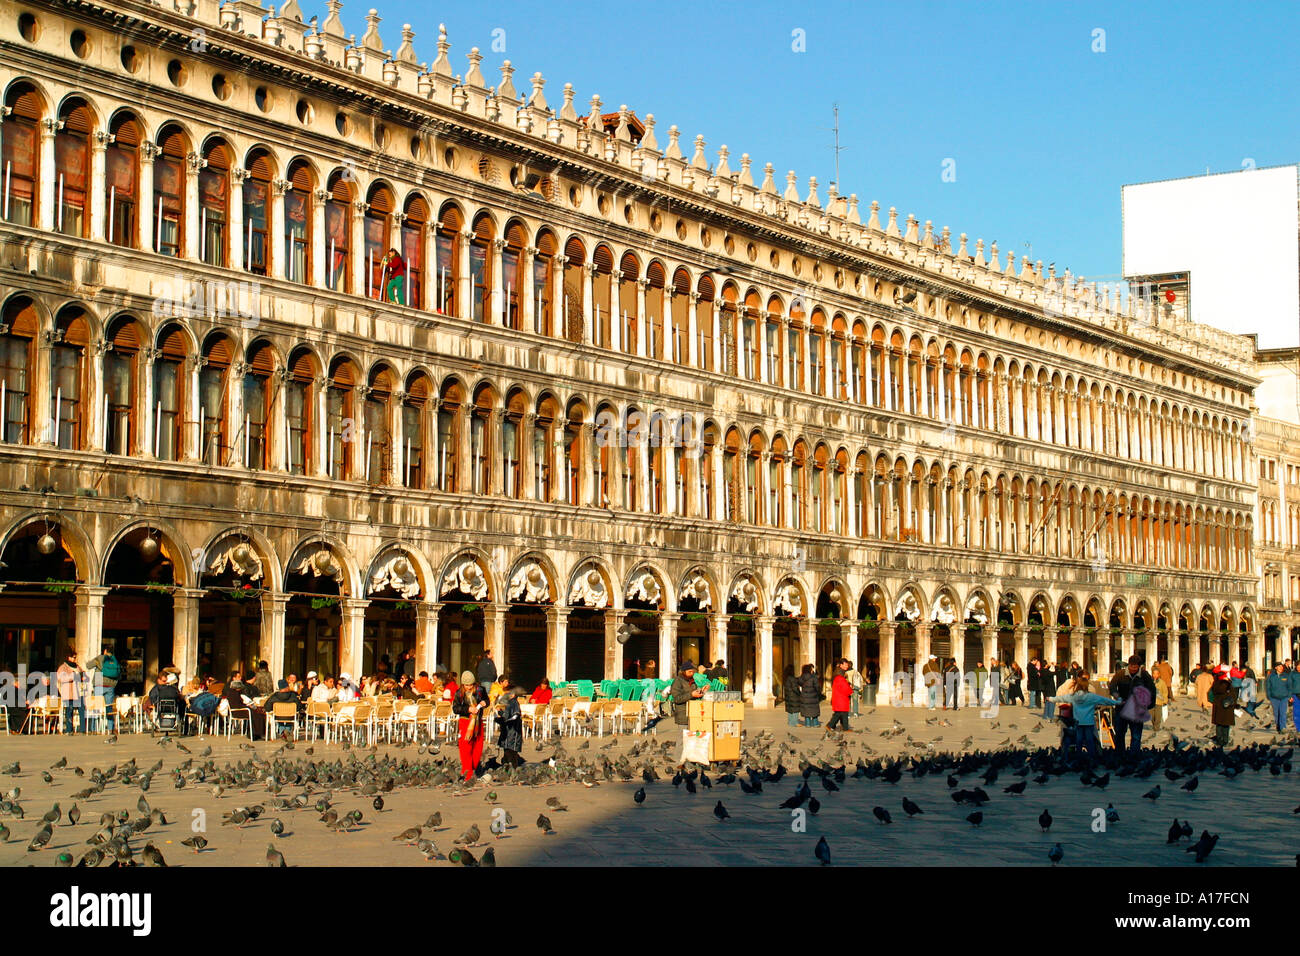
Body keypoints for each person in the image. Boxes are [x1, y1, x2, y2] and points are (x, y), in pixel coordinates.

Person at [1050, 673, 1121, 766]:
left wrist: (1051, 699)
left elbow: (1061, 697)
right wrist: (1118, 701)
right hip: (1088, 722)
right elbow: (1105, 700)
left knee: (1078, 740)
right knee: (1089, 740)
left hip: (1077, 722)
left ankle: (1078, 757)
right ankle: (1092, 757)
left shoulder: (1074, 695)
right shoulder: (1091, 695)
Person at [1107, 655, 1156, 758]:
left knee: (1136, 735)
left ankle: (1134, 756)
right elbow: (1112, 687)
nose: (1133, 669)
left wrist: (1148, 705)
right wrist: (1117, 697)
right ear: (1128, 665)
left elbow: (1152, 690)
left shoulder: (1144, 675)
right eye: (1131, 666)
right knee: (1120, 733)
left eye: (1135, 667)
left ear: (1139, 666)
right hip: (1122, 708)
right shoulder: (1120, 674)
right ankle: (1120, 755)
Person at [452, 671, 489, 780]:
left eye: (471, 684)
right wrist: (468, 709)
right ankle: (467, 773)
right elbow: (455, 708)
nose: (469, 687)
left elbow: (487, 700)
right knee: (465, 748)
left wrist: (484, 703)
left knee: (478, 748)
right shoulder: (459, 693)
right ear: (463, 684)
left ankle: (473, 768)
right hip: (465, 722)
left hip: (477, 722)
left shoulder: (480, 690)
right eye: (466, 685)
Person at [86, 644, 121, 722]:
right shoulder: (114, 660)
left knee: (97, 707)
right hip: (111, 685)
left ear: (105, 650)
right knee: (109, 707)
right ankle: (110, 728)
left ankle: (95, 728)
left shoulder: (100, 658)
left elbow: (88, 666)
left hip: (99, 683)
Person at [55, 647, 87, 734]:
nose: (74, 659)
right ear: (68, 657)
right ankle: (69, 729)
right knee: (69, 710)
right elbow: (60, 678)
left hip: (78, 692)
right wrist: (72, 676)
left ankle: (83, 729)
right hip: (68, 693)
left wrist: (83, 677)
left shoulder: (77, 667)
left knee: (82, 709)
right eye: (73, 657)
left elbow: (84, 675)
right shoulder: (63, 667)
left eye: (75, 657)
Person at [496, 684, 524, 769]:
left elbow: (516, 715)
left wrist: (507, 720)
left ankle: (513, 770)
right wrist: (500, 713)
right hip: (507, 732)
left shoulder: (514, 703)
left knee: (512, 752)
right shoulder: (508, 703)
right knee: (507, 750)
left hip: (513, 732)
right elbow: (506, 715)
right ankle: (506, 768)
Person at [1209, 670, 1238, 747]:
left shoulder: (1215, 684)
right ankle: (1225, 740)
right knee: (1225, 725)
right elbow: (1233, 694)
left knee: (1219, 725)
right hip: (1226, 707)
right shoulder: (1225, 684)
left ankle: (1219, 739)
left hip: (1218, 706)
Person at [670, 662, 704, 726]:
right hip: (683, 715)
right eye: (690, 672)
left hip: (693, 714)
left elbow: (694, 692)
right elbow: (677, 699)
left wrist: (701, 691)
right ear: (684, 672)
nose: (692, 673)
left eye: (693, 672)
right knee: (683, 735)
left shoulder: (692, 680)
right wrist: (691, 695)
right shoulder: (678, 681)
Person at [827, 659, 853, 733]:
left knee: (843, 713)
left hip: (840, 697)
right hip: (841, 698)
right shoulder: (839, 676)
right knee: (839, 713)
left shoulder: (840, 674)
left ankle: (844, 727)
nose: (846, 666)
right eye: (845, 664)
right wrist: (850, 690)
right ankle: (830, 725)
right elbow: (844, 687)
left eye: (847, 664)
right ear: (841, 665)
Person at [1265, 662, 1291, 732]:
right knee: (1276, 713)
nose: (1281, 668)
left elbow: (1289, 686)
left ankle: (1283, 727)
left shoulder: (1286, 676)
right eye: (1279, 666)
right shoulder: (1271, 676)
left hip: (1284, 697)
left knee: (1283, 713)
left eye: (1282, 666)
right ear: (1276, 667)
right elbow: (1268, 687)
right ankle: (1278, 725)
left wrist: (1289, 696)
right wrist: (1269, 696)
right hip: (1274, 697)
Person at [797, 663, 821, 727]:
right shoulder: (813, 677)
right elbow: (817, 687)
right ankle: (815, 723)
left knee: (806, 709)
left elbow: (799, 683)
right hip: (813, 696)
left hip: (804, 695)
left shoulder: (802, 677)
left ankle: (807, 723)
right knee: (814, 710)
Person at [1151, 666, 1169, 731]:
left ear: (1159, 674)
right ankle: (1154, 724)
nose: (1155, 675)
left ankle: (1157, 727)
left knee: (1158, 716)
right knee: (1151, 715)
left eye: (1157, 674)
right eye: (1154, 673)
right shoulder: (1149, 681)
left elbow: (1165, 692)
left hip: (1159, 701)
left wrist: (1165, 700)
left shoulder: (1162, 682)